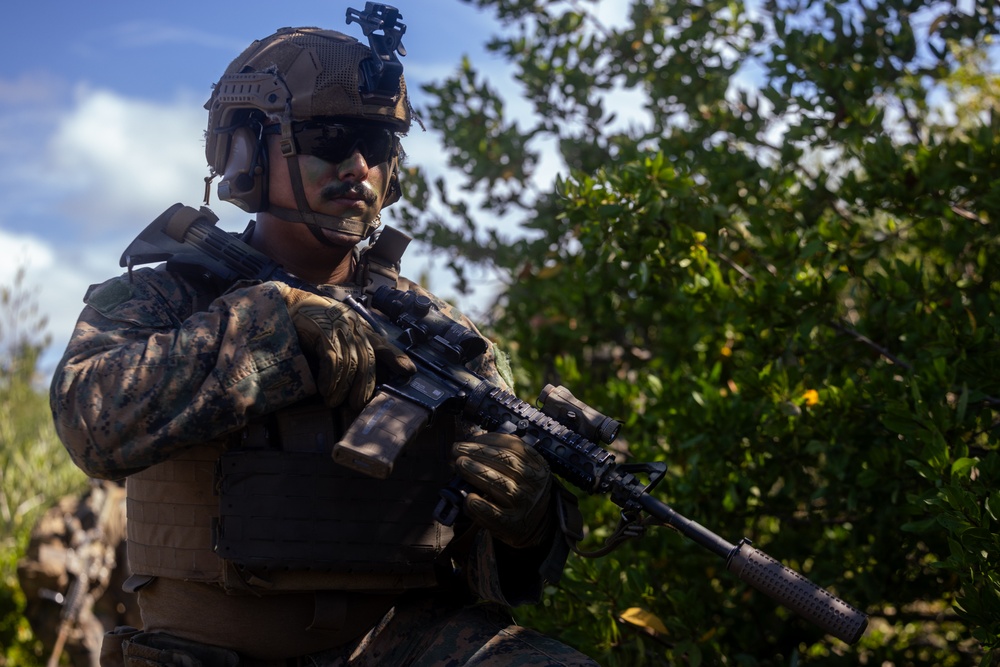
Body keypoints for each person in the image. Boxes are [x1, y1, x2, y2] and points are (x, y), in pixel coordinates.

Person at [49, 7, 598, 667]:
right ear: (247, 148)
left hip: (406, 645)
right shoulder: (164, 297)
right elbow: (91, 423)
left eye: (379, 142)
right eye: (332, 137)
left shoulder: (438, 332)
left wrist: (527, 522)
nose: (360, 166)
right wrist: (272, 324)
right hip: (203, 651)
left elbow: (503, 574)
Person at [17, 479, 140, 667]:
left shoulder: (73, 505)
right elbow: (137, 600)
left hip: (76, 612)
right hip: (86, 611)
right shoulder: (127, 511)